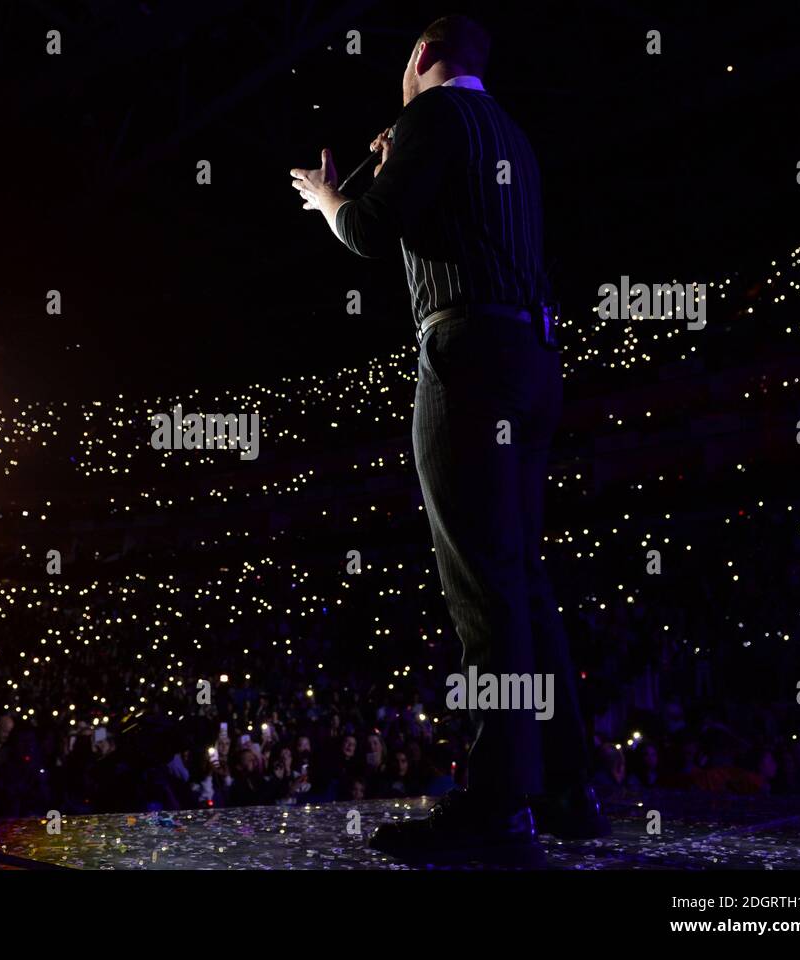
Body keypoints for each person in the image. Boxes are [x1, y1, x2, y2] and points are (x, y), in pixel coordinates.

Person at [290, 14, 607, 865]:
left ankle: (498, 804)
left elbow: (365, 233)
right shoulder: (511, 131)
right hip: (535, 357)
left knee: (480, 585)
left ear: (423, 57)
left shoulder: (431, 116)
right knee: (521, 581)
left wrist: (332, 198)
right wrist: (394, 162)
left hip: (468, 356)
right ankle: (570, 790)